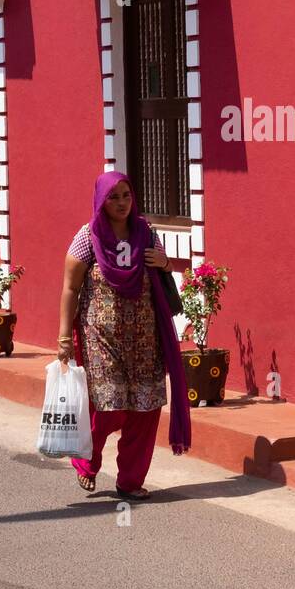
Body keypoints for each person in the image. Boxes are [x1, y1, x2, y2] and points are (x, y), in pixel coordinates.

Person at [58, 171, 190, 500]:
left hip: (146, 341)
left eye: (126, 196)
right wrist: (63, 337)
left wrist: (164, 263)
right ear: (101, 200)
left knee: (144, 410)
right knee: (107, 406)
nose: (121, 203)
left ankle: (130, 481)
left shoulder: (145, 233)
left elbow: (162, 273)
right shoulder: (87, 237)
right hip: (101, 338)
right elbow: (70, 288)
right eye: (113, 197)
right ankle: (87, 462)